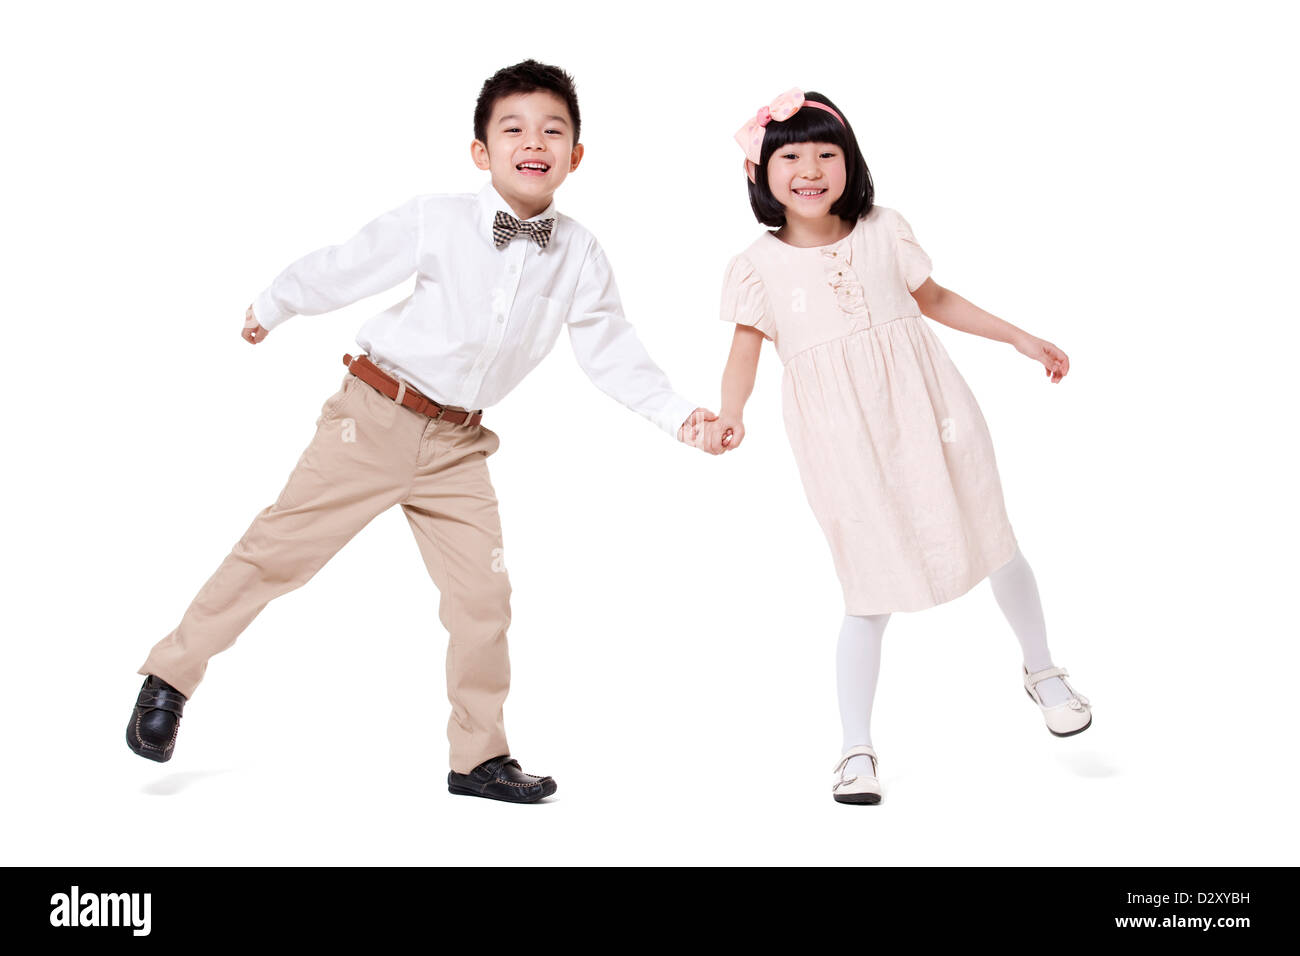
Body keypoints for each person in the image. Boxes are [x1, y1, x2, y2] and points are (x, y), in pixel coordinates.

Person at [126, 59, 718, 804]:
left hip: (459, 449)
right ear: (482, 151)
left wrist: (677, 415)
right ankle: (170, 676)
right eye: (514, 128)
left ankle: (479, 758)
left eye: (553, 130)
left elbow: (611, 349)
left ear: (576, 154)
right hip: (374, 417)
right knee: (275, 554)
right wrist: (275, 303)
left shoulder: (580, 253)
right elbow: (349, 265)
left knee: (483, 599)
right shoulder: (437, 218)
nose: (533, 141)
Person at [699, 88, 1092, 805]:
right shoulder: (757, 265)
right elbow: (744, 354)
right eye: (790, 155)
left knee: (994, 539)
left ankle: (1042, 670)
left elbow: (935, 299)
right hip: (842, 441)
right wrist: (731, 414)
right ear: (760, 173)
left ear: (851, 162)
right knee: (866, 587)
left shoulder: (883, 229)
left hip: (933, 412)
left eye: (827, 152)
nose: (811, 168)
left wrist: (1019, 337)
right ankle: (855, 748)